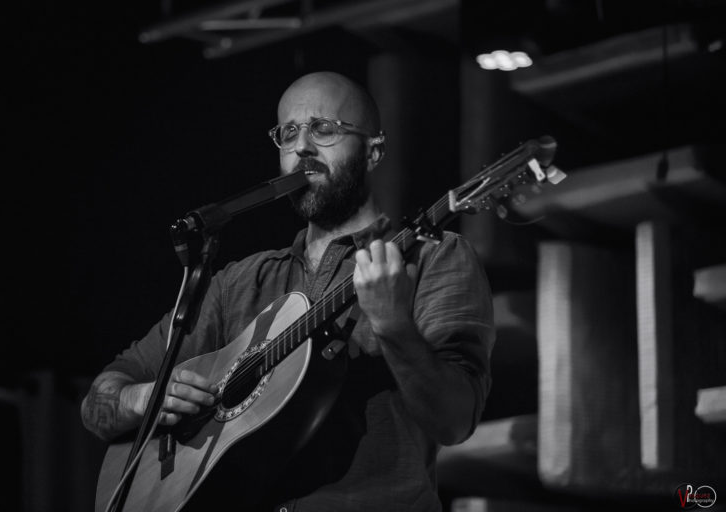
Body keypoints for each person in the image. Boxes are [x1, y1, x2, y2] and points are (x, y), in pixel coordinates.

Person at [82, 71, 495, 512]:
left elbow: (455, 420)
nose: (302, 147)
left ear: (374, 151)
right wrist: (141, 399)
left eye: (324, 129)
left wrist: (393, 324)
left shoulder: (432, 257)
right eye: (289, 133)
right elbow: (98, 401)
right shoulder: (240, 282)